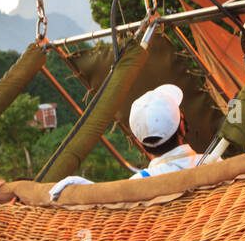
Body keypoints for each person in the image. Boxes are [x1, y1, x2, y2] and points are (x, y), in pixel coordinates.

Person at [50, 83, 201, 200]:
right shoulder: (213, 164)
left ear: (140, 142)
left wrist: (81, 188)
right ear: (181, 126)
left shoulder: (137, 185)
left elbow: (110, 200)